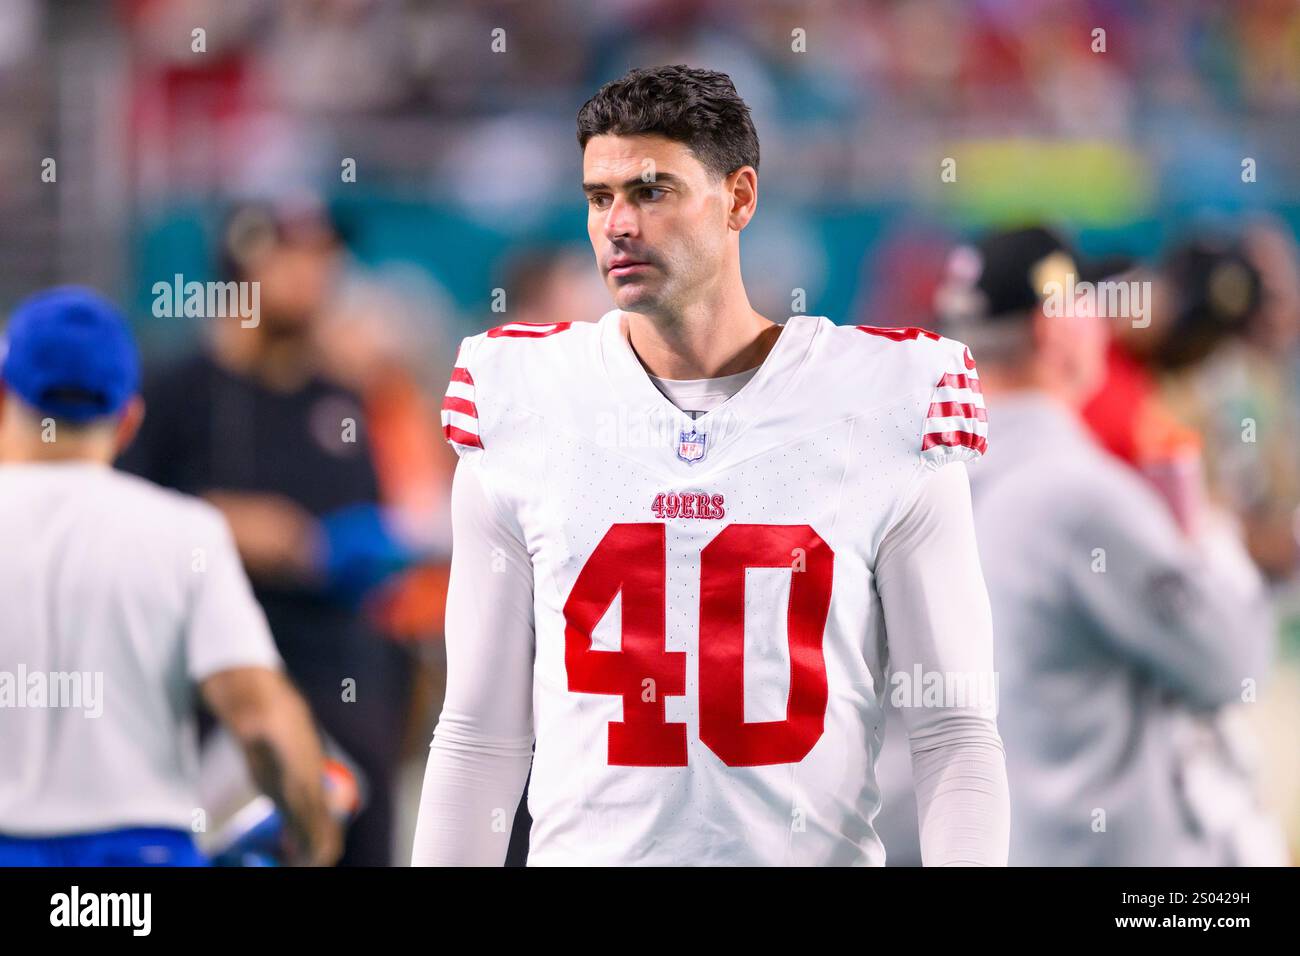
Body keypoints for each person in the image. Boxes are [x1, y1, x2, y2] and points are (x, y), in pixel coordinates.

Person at [412, 65, 1009, 866]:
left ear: (739, 197)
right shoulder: (524, 398)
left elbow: (954, 732)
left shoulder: (883, 402)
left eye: (653, 191)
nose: (618, 224)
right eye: (599, 197)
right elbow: (480, 735)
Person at [879, 227, 1279, 866]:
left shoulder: (896, 486)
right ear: (1054, 331)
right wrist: (1213, 540)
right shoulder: (1078, 493)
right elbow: (1232, 662)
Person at [0, 286, 340, 867]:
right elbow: (260, 718)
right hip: (142, 859)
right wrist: (315, 837)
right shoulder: (185, 533)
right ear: (129, 417)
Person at [120, 201, 414, 866]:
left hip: (332, 670)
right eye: (295, 255)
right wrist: (215, 522)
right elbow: (113, 525)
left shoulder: (339, 400)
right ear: (243, 265)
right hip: (203, 678)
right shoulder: (173, 393)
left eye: (325, 258)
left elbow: (367, 528)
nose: (316, 275)